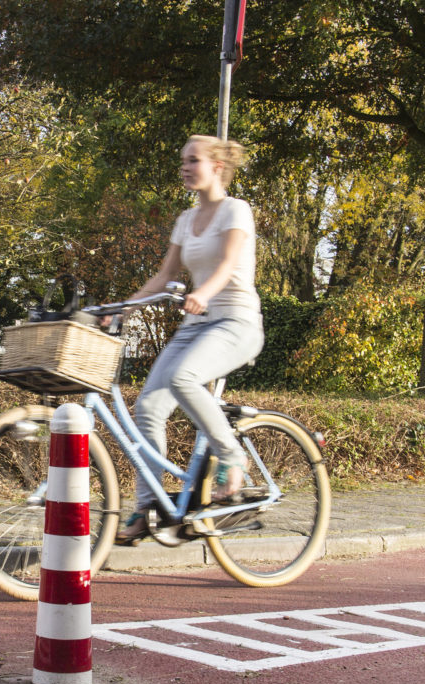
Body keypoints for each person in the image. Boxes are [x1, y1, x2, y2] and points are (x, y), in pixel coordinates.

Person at [115, 134, 264, 545]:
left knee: (183, 378)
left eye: (193, 160)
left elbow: (229, 263)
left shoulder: (237, 211)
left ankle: (232, 457)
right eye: (182, 159)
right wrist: (122, 309)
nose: (184, 166)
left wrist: (203, 293)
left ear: (217, 166)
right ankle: (150, 508)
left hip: (236, 322)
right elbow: (164, 276)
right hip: (197, 326)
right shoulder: (186, 219)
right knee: (147, 407)